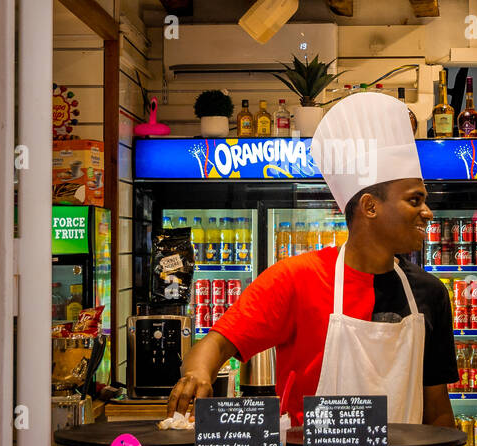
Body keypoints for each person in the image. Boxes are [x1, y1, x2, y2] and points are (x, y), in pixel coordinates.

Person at [166, 91, 457, 427]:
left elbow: (436, 409)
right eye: (415, 199)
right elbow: (216, 343)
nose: (428, 212)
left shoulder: (430, 293)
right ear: (370, 207)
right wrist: (197, 373)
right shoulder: (297, 278)